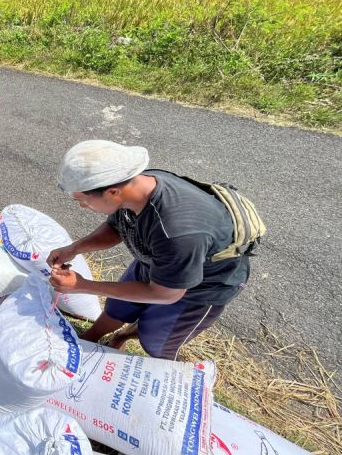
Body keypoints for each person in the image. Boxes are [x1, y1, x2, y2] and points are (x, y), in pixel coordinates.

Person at [47, 140, 251, 360]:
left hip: (200, 287)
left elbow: (165, 293)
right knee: (118, 307)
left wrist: (83, 285)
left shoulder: (177, 233)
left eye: (82, 200)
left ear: (113, 192)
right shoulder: (134, 185)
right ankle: (89, 338)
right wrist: (74, 249)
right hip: (156, 260)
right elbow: (117, 226)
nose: (82, 206)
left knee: (155, 341)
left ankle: (124, 336)